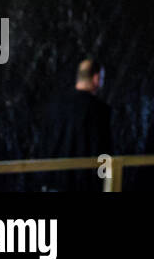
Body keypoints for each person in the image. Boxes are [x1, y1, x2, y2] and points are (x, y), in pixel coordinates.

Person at [40, 56, 113, 192]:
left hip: (54, 183)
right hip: (84, 185)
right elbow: (103, 153)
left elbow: (44, 145)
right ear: (96, 78)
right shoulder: (100, 111)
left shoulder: (54, 106)